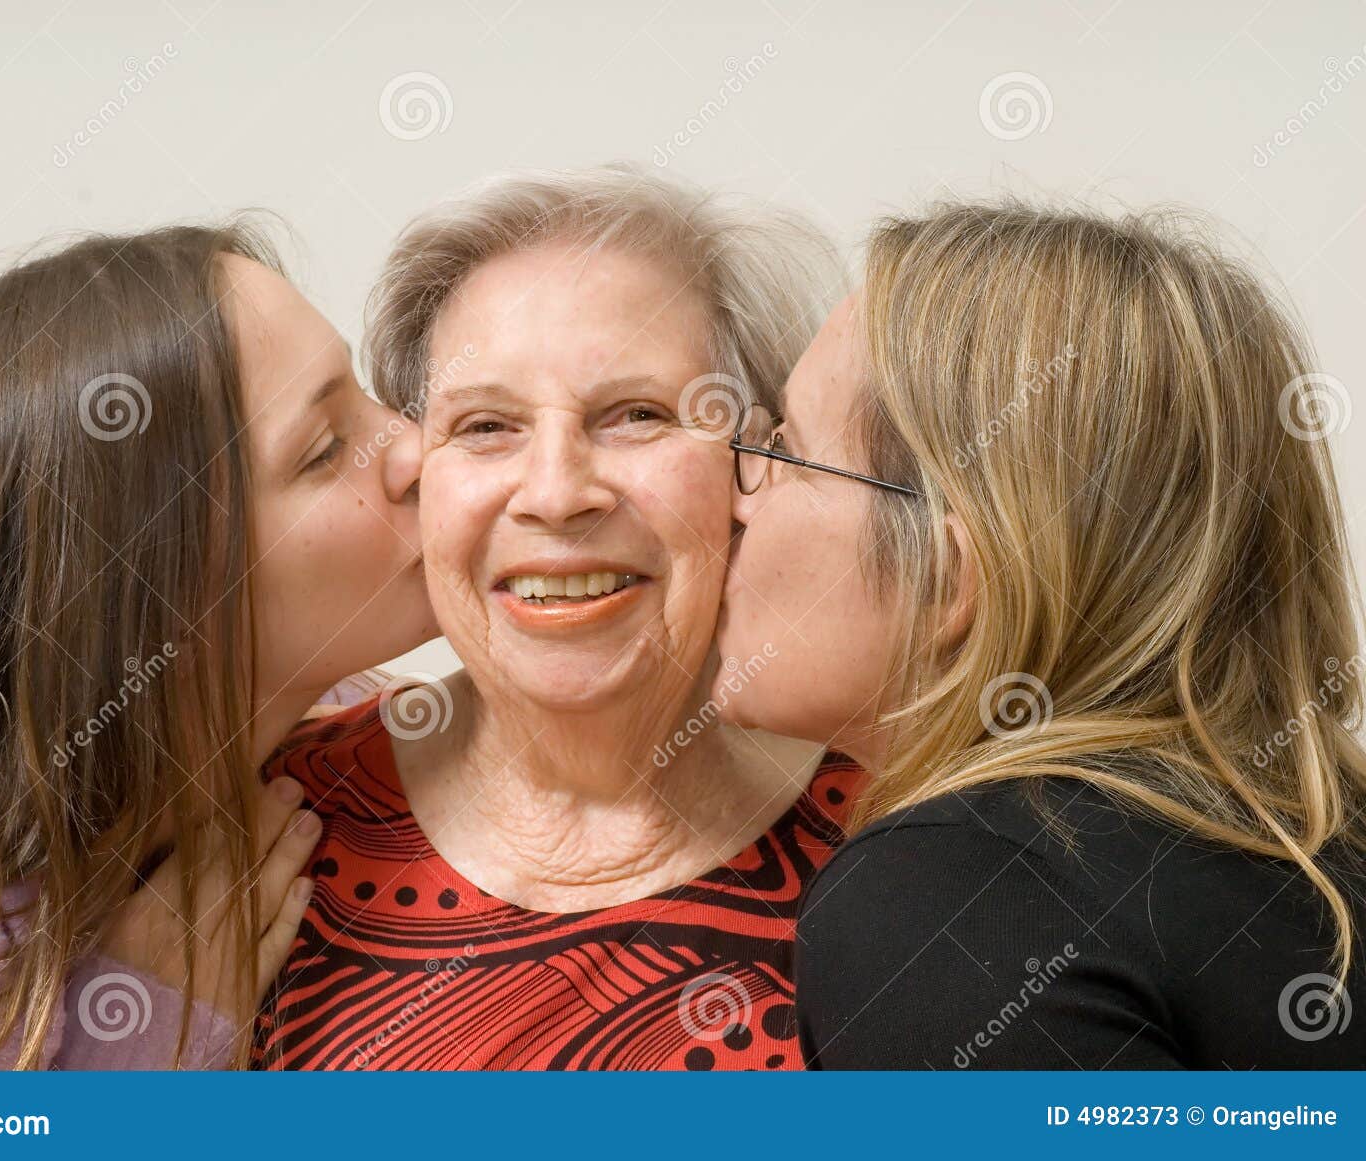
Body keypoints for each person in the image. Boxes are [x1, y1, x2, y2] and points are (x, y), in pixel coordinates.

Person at [0, 221, 438, 1068]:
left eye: (366, 394)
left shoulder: (358, 743)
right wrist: (130, 1052)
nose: (419, 448)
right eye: (325, 449)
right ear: (140, 590)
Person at [716, 201, 1366, 1068]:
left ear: (945, 577)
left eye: (787, 452)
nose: (735, 501)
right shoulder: (1319, 851)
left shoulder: (955, 902)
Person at [253, 165, 863, 1070]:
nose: (555, 492)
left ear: (756, 464)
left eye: (637, 414)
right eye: (485, 426)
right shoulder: (264, 829)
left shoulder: (909, 836)